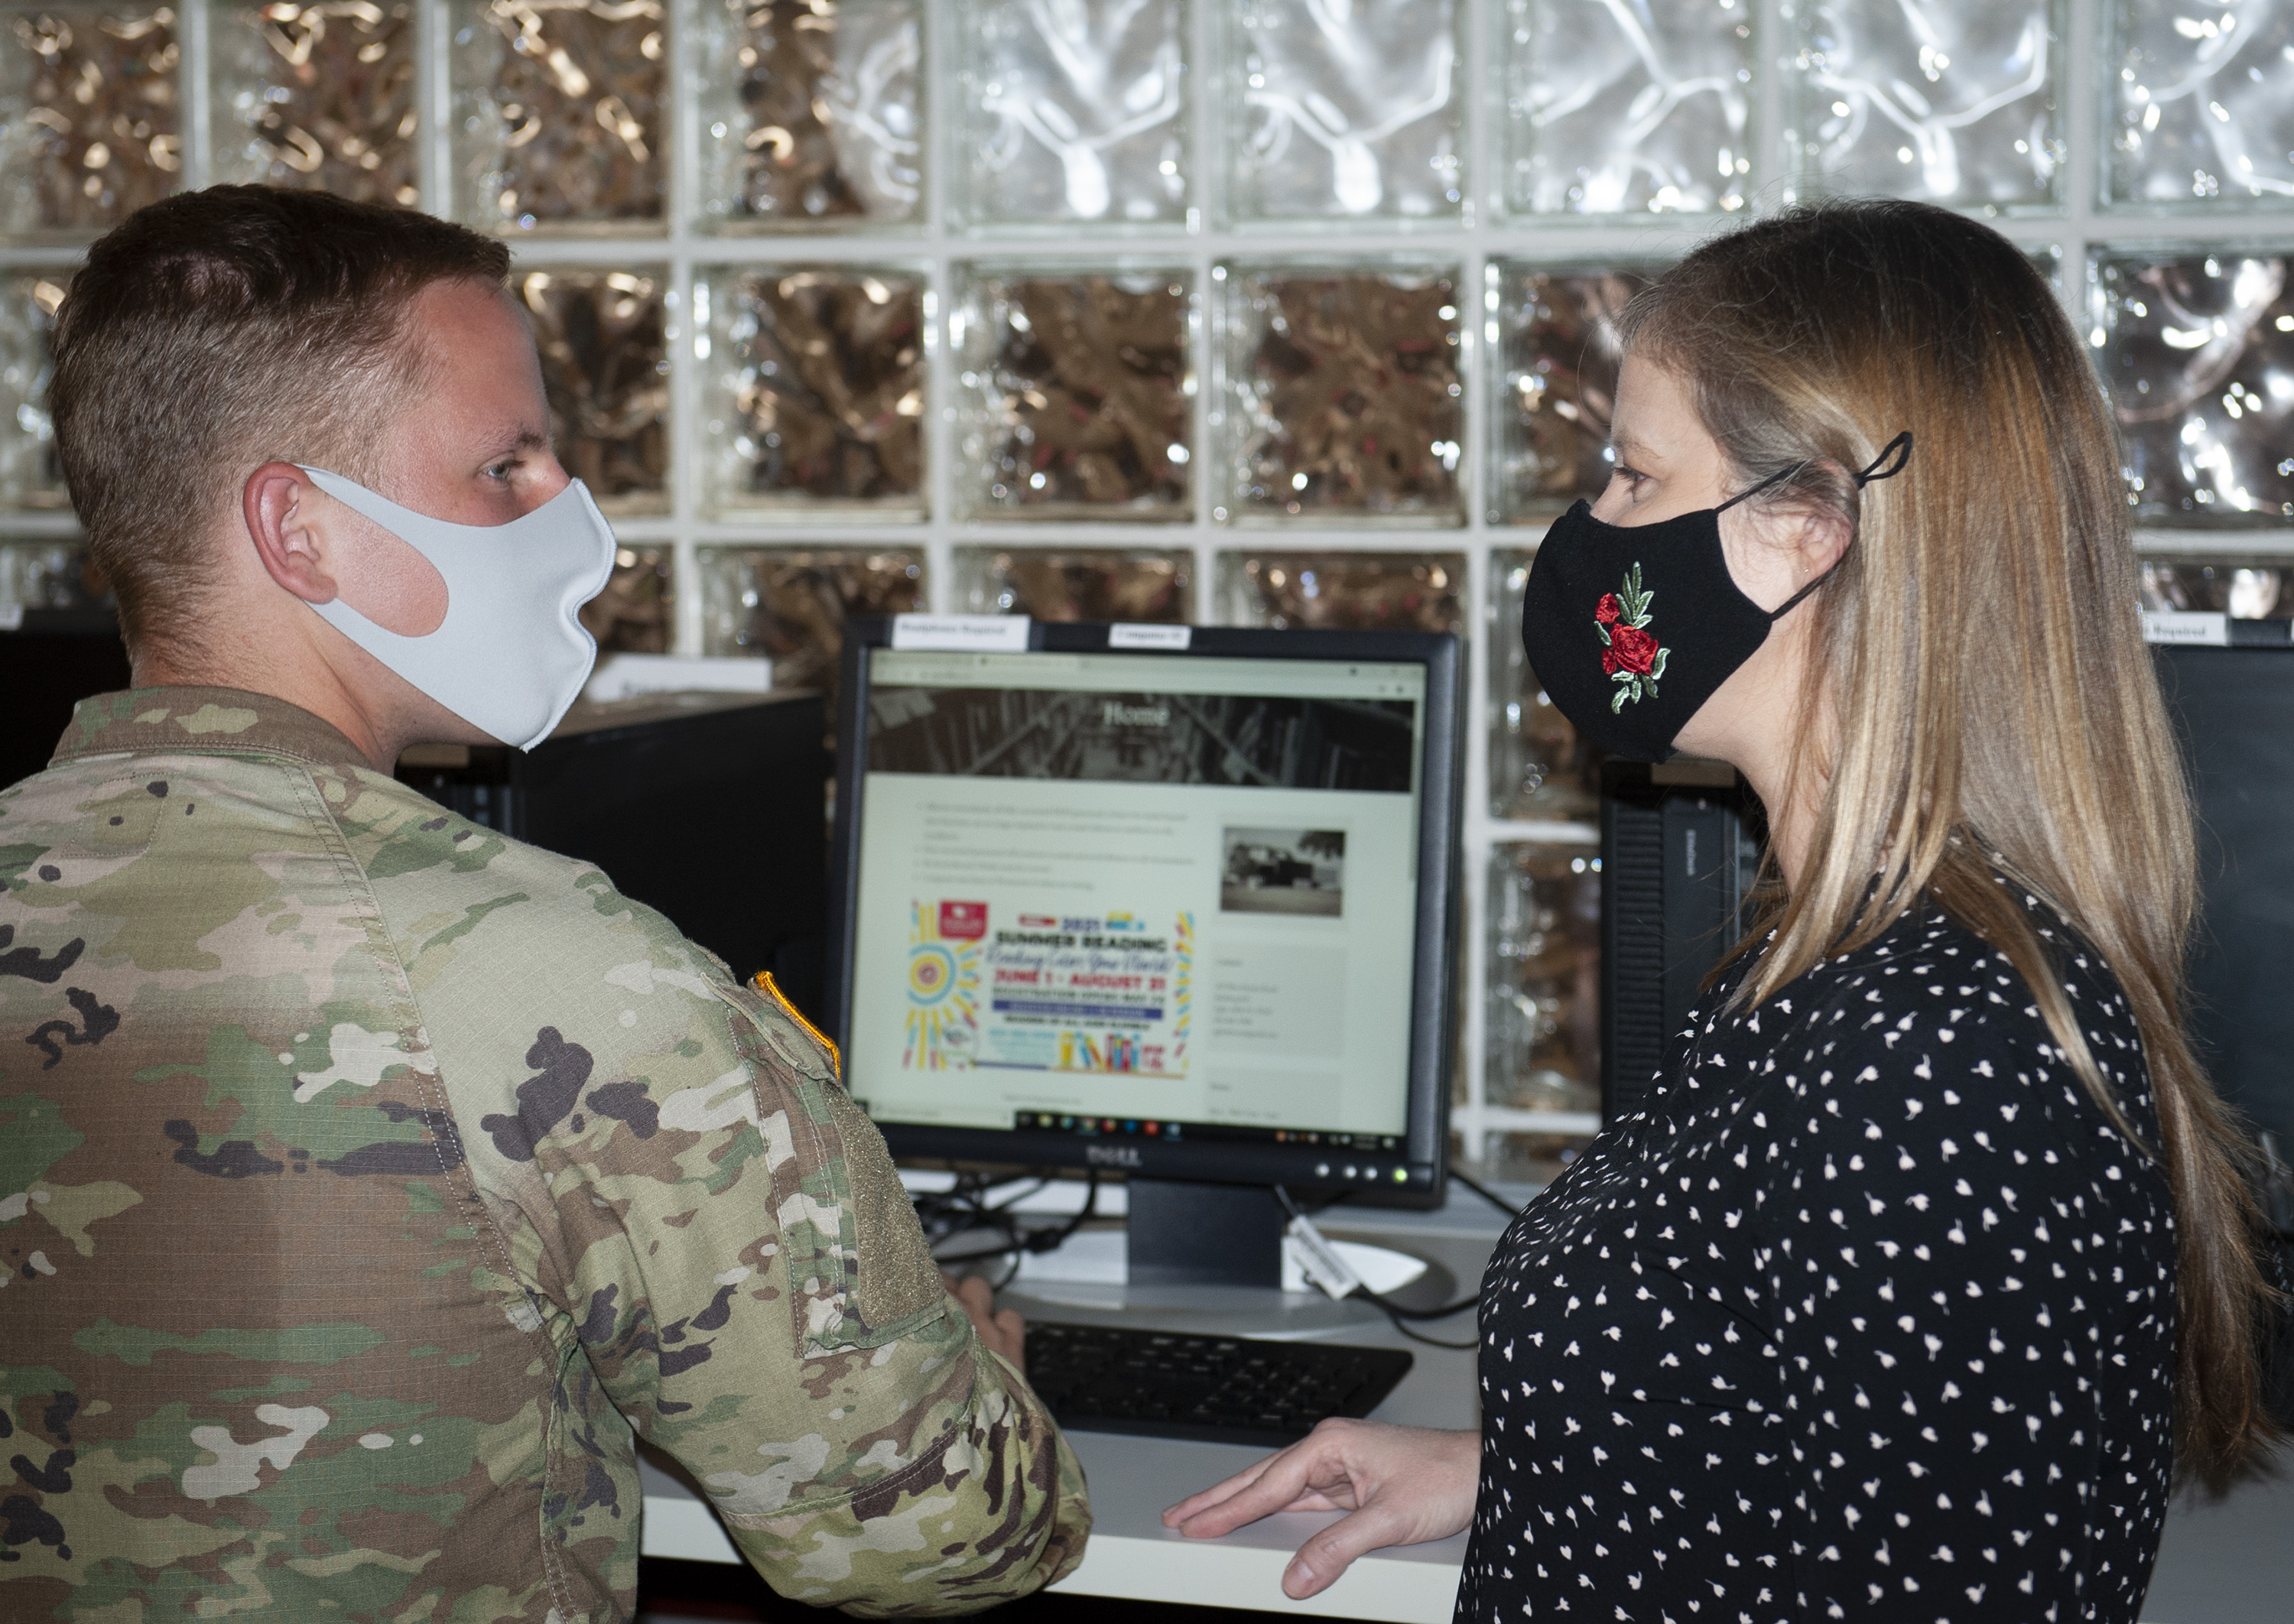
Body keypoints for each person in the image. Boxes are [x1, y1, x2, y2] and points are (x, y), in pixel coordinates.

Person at [1165, 199, 2279, 1622]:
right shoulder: (1829, 958)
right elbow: (1786, 1415)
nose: (1593, 528)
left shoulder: (1934, 1060)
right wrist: (1537, 1468)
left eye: (1634, 475)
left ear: (1804, 527)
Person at [0, 186, 1084, 1619]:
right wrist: (979, 1372)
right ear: (300, 530)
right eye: (505, 466)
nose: (577, 523)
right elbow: (934, 1534)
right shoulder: (560, 982)